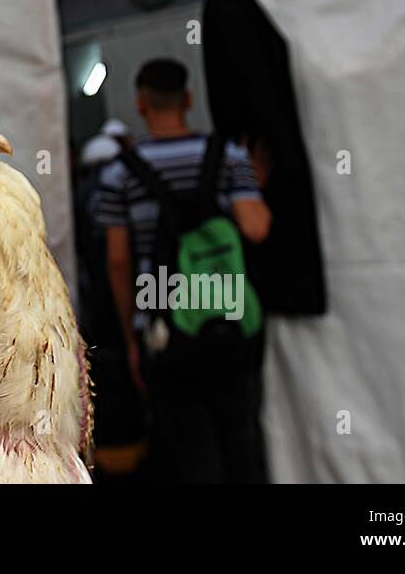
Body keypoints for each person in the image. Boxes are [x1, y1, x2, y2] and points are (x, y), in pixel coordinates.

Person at [91, 58, 272, 483]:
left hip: (164, 325)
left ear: (141, 105)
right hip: (231, 319)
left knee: (191, 453)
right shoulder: (228, 155)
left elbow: (117, 260)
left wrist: (132, 335)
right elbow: (256, 228)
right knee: (242, 440)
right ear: (188, 99)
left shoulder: (119, 173)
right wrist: (251, 185)